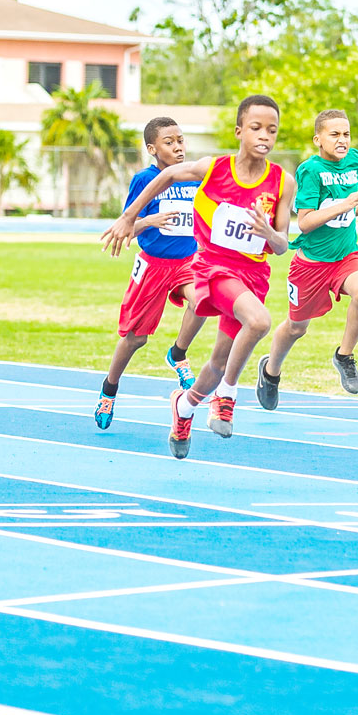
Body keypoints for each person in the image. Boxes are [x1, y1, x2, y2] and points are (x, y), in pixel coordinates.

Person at [101, 95, 294, 458]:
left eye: (272, 129)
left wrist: (270, 235)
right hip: (211, 269)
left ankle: (185, 407)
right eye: (255, 128)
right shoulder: (215, 168)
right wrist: (130, 218)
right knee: (259, 321)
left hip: (252, 276)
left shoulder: (283, 182)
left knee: (218, 362)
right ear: (240, 132)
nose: (264, 135)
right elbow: (169, 175)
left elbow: (283, 244)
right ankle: (227, 395)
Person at [94, 117, 206, 430]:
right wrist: (150, 220)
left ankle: (178, 353)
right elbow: (127, 226)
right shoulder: (145, 180)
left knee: (204, 301)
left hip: (187, 261)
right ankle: (109, 390)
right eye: (169, 142)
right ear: (152, 149)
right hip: (154, 264)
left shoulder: (195, 177)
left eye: (180, 140)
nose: (178, 147)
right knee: (134, 338)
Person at [257, 109, 358, 407]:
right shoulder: (310, 170)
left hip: (346, 255)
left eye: (346, 134)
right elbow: (305, 222)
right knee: (297, 328)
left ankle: (344, 356)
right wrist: (345, 204)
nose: (342, 140)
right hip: (311, 264)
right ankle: (270, 372)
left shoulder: (355, 160)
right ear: (318, 139)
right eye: (334, 134)